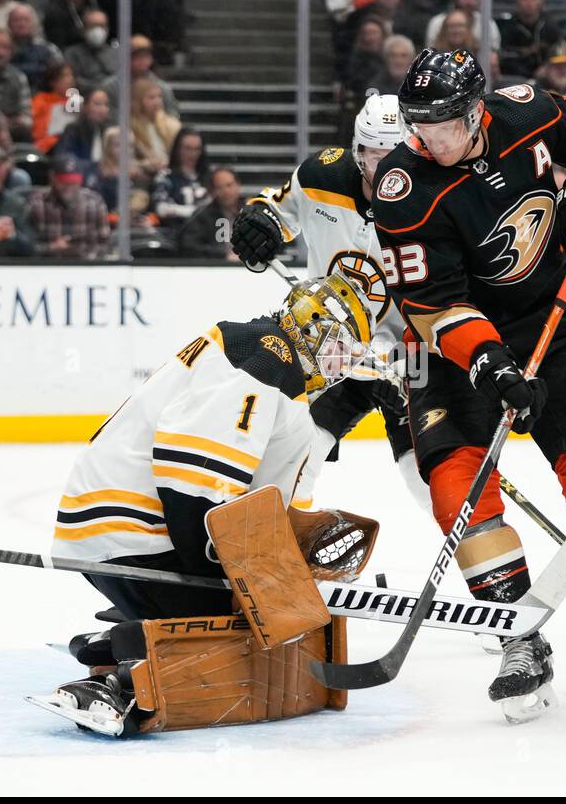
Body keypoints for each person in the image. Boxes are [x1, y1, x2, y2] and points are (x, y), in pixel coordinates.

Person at [370, 48, 566, 721]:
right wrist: (489, 362)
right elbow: (430, 307)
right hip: (453, 352)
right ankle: (520, 639)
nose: (427, 140)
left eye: (443, 126)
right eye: (417, 127)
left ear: (478, 111)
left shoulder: (530, 111)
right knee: (457, 488)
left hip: (552, 322)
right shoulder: (401, 186)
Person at [36, 275, 375, 736]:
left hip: (123, 533)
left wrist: (346, 409)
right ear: (314, 327)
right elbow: (190, 485)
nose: (343, 366)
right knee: (259, 628)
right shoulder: (262, 358)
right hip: (138, 534)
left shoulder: (275, 369)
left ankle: (128, 636)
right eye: (343, 349)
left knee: (273, 618)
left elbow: (272, 494)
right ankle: (123, 678)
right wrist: (231, 588)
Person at [231, 94, 429, 514]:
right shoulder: (320, 176)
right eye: (377, 156)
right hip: (331, 347)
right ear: (358, 152)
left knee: (426, 476)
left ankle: (484, 562)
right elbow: (272, 209)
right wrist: (258, 222)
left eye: (397, 155)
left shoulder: (436, 196)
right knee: (294, 459)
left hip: (411, 354)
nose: (388, 168)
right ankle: (273, 557)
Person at [26, 154, 111, 260]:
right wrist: (50, 248)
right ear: (52, 178)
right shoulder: (36, 203)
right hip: (46, 268)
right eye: (63, 182)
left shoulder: (95, 202)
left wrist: (86, 262)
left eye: (73, 182)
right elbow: (26, 247)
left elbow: (104, 244)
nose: (69, 186)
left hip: (86, 268)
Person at [178, 166, 243, 260]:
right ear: (212, 191)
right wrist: (222, 255)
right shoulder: (202, 216)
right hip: (216, 268)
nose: (226, 191)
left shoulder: (251, 213)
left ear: (238, 186)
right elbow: (189, 245)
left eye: (229, 185)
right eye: (219, 187)